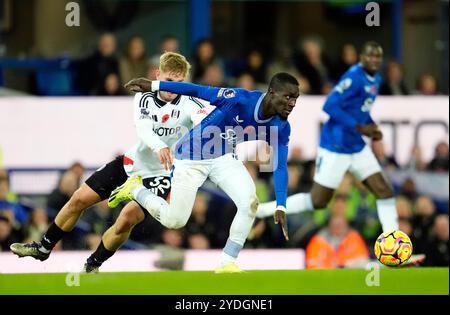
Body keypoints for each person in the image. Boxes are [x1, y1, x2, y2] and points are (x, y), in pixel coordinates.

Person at [10, 52, 210, 272]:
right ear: (157, 75)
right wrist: (160, 146)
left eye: (180, 83)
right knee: (79, 198)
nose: (174, 89)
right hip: (131, 164)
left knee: (127, 218)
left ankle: (92, 265)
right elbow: (142, 129)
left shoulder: (192, 104)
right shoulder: (143, 98)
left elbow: (207, 123)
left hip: (160, 174)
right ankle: (43, 248)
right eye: (170, 81)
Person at [110, 72, 300, 273]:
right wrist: (155, 85)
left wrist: (281, 204)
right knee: (175, 221)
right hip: (191, 155)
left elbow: (279, 165)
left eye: (295, 98)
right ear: (271, 93)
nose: (292, 103)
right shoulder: (239, 99)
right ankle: (135, 188)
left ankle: (227, 262)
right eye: (287, 97)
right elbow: (197, 90)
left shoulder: (281, 127)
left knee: (250, 202)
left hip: (223, 157)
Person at [256, 42, 399, 234]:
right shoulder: (353, 78)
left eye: (377, 57)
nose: (374, 60)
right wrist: (359, 126)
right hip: (335, 145)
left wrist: (371, 126)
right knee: (318, 201)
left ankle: (395, 243)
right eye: (369, 56)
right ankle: (262, 210)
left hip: (356, 145)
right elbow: (329, 106)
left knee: (384, 190)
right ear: (362, 58)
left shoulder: (376, 80)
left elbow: (360, 109)